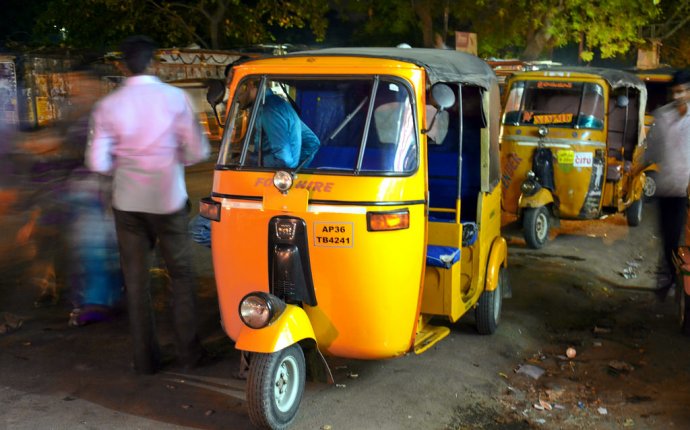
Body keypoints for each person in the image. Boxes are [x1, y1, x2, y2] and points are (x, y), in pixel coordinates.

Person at [86, 35, 211, 374]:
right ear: (153, 63)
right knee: (182, 275)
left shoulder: (107, 106)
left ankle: (145, 360)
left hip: (127, 204)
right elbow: (198, 151)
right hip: (168, 199)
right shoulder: (175, 98)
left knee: (137, 281)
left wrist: (126, 165)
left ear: (121, 65)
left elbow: (97, 162)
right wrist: (171, 158)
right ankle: (190, 355)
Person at [646, 69, 690, 301]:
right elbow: (651, 151)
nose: (677, 96)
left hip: (689, 190)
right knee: (670, 239)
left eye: (681, 91)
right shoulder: (661, 116)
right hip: (670, 190)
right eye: (674, 92)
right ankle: (670, 281)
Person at [237, 79, 320, 168]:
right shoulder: (279, 105)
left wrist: (251, 160)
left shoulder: (269, 110)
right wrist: (293, 172)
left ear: (251, 84)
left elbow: (284, 160)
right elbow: (312, 143)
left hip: (268, 178)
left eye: (235, 89)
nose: (235, 97)